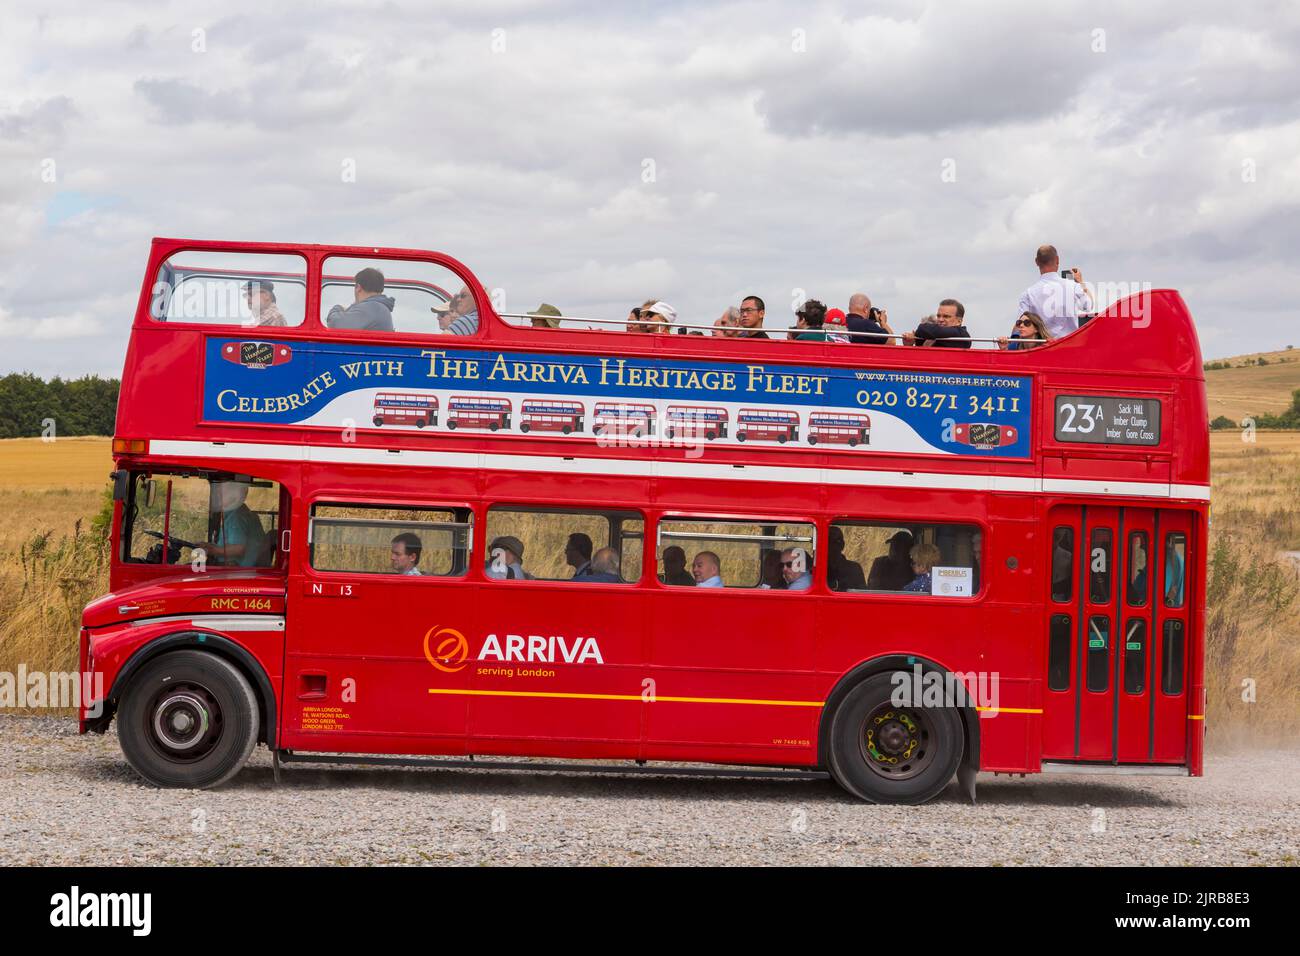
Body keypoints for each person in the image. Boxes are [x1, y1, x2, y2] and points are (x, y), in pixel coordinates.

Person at [1018, 244, 1092, 339]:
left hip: (1043, 348)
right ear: (1057, 260)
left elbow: (1020, 324)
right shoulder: (1072, 286)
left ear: (1036, 262)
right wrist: (1081, 282)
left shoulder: (1028, 294)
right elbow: (1088, 306)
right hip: (1070, 345)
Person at [204, 482, 268, 568]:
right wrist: (209, 546)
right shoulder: (241, 512)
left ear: (234, 495)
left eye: (222, 492)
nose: (218, 495)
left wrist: (212, 550)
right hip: (247, 570)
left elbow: (239, 549)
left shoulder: (237, 516)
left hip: (237, 570)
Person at [326, 268, 395, 331]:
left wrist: (338, 308)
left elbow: (334, 323)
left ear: (358, 287)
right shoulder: (380, 307)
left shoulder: (371, 307)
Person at [904, 299, 971, 348]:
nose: (940, 320)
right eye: (938, 316)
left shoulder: (962, 335)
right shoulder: (933, 335)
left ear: (959, 321)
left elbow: (922, 329)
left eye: (946, 316)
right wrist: (909, 345)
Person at [827, 525, 866, 591]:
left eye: (836, 542)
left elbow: (862, 593)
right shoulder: (817, 567)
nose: (832, 546)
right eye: (828, 541)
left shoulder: (854, 569)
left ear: (843, 544)